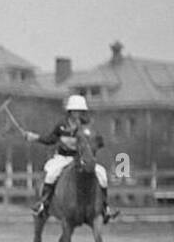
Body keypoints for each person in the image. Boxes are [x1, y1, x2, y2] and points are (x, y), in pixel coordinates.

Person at [24, 95, 118, 224]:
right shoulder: (62, 125)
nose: (77, 113)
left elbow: (100, 141)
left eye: (79, 111)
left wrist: (93, 143)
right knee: (51, 174)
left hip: (82, 159)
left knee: (102, 175)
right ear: (70, 111)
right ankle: (43, 204)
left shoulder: (87, 126)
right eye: (74, 110)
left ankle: (105, 207)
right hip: (63, 158)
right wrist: (35, 137)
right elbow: (51, 139)